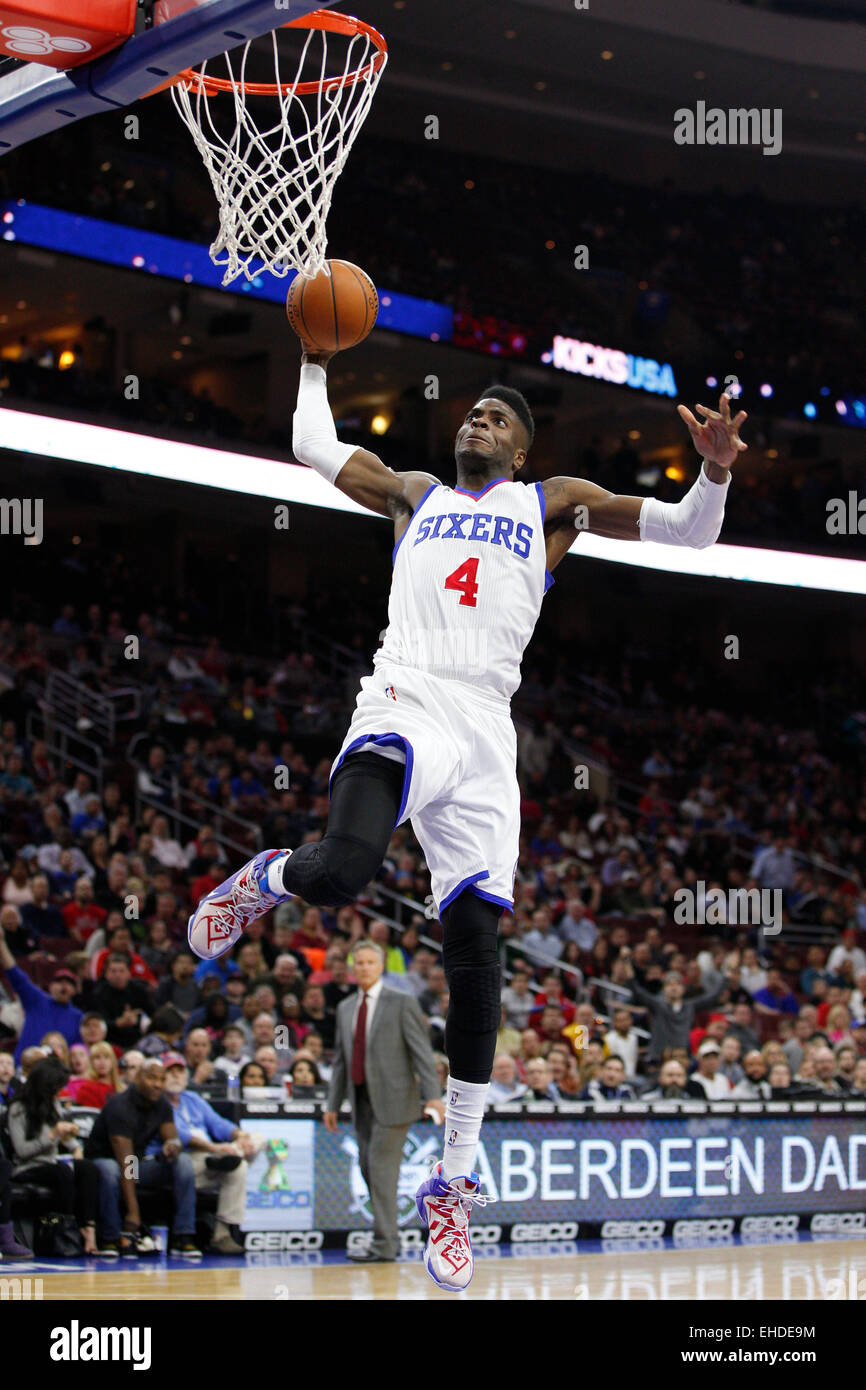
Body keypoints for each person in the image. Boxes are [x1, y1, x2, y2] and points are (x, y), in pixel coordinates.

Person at [187, 358, 745, 1290]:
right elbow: (311, 446)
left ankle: (451, 1181)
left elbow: (690, 535)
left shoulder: (552, 502)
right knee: (348, 867)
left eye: (497, 417)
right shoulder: (415, 494)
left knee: (477, 951)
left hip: (488, 728)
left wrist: (716, 471)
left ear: (521, 447)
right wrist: (316, 357)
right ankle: (266, 880)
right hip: (406, 693)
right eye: (473, 412)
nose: (478, 420)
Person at [323, 940, 443, 1266]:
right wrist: (332, 1104)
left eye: (369, 963)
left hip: (395, 1102)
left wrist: (433, 1095)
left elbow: (422, 1052)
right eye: (358, 963)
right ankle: (386, 1236)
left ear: (380, 967)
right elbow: (340, 1062)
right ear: (352, 968)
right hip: (360, 1099)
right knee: (367, 1168)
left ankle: (385, 1244)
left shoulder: (402, 1002)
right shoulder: (347, 1007)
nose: (363, 968)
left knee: (379, 1170)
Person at [84, 1057, 200, 1258]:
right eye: (151, 1078)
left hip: (135, 1163)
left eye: (162, 1079)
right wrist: (133, 1212)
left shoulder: (161, 1104)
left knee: (183, 1162)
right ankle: (110, 1238)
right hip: (105, 1160)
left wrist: (172, 1147)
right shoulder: (120, 1105)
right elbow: (126, 1162)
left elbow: (172, 1137)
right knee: (110, 1170)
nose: (157, 1084)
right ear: (137, 1078)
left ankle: (184, 1236)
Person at [151, 1054, 258, 1255]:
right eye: (170, 1072)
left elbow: (218, 1123)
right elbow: (178, 1136)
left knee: (253, 1145)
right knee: (234, 1165)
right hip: (183, 1159)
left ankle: (222, 1235)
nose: (175, 1076)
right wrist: (215, 1148)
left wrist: (240, 1135)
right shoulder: (158, 1103)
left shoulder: (193, 1099)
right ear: (161, 1077)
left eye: (179, 1072)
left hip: (212, 1158)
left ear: (186, 1075)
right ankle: (229, 1156)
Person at [7, 1056, 100, 1254]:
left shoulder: (53, 1104)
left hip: (52, 1164)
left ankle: (88, 1230)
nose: (59, 1091)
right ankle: (61, 1232)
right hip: (27, 1167)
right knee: (62, 1172)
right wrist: (53, 1134)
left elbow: (65, 1137)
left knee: (88, 1168)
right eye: (57, 1086)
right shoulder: (18, 1108)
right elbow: (22, 1151)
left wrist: (76, 1148)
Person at [0, 923, 84, 1062]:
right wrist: (2, 944)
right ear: (51, 986)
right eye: (59, 982)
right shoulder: (37, 999)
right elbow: (14, 974)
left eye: (69, 984)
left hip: (56, 1075)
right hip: (24, 1068)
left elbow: (78, 1052)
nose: (64, 986)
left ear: (75, 990)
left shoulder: (78, 1017)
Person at [62, 1041, 120, 1108]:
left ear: (113, 1061)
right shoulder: (86, 1090)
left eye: (106, 1057)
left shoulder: (122, 1088)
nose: (102, 1062)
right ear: (91, 1062)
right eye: (97, 1057)